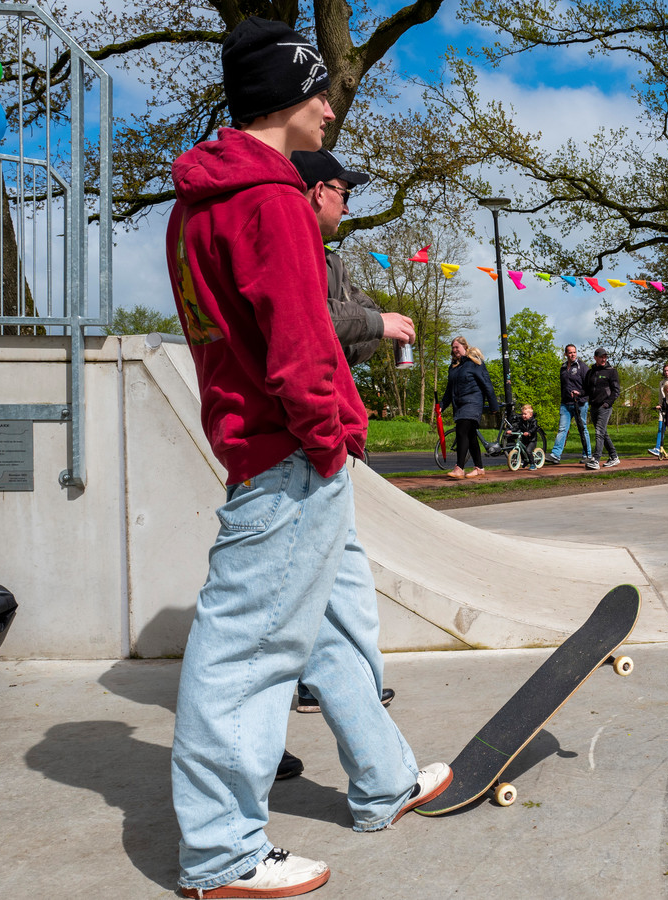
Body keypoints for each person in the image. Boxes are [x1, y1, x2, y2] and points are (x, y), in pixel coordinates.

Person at [164, 18, 450, 898]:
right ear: (286, 95)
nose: (330, 108)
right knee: (247, 653)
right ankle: (221, 852)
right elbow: (300, 346)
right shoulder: (273, 200)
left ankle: (383, 779)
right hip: (293, 454)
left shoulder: (193, 206)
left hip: (262, 448)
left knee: (329, 625)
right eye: (318, 91)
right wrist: (333, 435)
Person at [279, 148, 402, 762]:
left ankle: (371, 737)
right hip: (304, 441)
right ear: (316, 191)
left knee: (341, 581)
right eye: (341, 190)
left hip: (327, 435)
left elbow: (339, 333)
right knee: (285, 598)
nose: (348, 201)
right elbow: (315, 326)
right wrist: (378, 325)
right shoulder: (292, 246)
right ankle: (262, 730)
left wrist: (373, 331)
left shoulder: (325, 256)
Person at [290, 148, 415, 367]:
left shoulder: (332, 262)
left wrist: (372, 326)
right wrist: (375, 324)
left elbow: (345, 341)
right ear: (319, 191)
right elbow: (301, 317)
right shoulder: (280, 247)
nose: (347, 209)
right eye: (344, 195)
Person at [440, 336, 499, 479]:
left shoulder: (475, 363)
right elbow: (449, 390)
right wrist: (441, 405)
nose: (455, 350)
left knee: (461, 431)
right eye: (453, 348)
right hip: (459, 405)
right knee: (471, 436)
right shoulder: (453, 368)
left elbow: (486, 383)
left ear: (465, 347)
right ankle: (479, 468)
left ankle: (459, 468)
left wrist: (493, 405)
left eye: (457, 347)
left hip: (473, 403)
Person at [550, 343, 592, 463]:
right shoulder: (562, 368)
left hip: (580, 403)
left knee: (582, 429)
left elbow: (589, 386)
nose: (572, 354)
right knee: (562, 429)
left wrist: (580, 393)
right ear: (566, 354)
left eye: (574, 352)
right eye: (570, 352)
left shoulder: (582, 367)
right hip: (566, 404)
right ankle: (555, 455)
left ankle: (587, 455)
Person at [584, 347, 621, 468]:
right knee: (603, 433)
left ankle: (595, 460)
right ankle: (614, 456)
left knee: (599, 432)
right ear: (595, 358)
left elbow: (616, 391)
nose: (603, 359)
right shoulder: (591, 372)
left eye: (605, 357)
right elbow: (587, 389)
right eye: (601, 357)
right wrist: (578, 393)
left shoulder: (611, 371)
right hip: (594, 406)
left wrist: (608, 403)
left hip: (604, 407)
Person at [648, 363, 668, 457]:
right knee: (661, 427)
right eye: (665, 371)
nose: (666, 372)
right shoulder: (662, 383)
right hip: (665, 407)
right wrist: (659, 404)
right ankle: (658, 448)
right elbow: (660, 395)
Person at [515, 403, 540, 470]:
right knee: (522, 450)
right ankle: (526, 460)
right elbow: (517, 427)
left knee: (528, 450)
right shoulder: (521, 421)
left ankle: (533, 464)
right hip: (525, 439)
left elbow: (534, 428)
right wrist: (511, 431)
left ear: (530, 415)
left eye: (525, 414)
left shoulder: (534, 421)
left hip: (532, 440)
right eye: (523, 414)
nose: (523, 416)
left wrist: (529, 432)